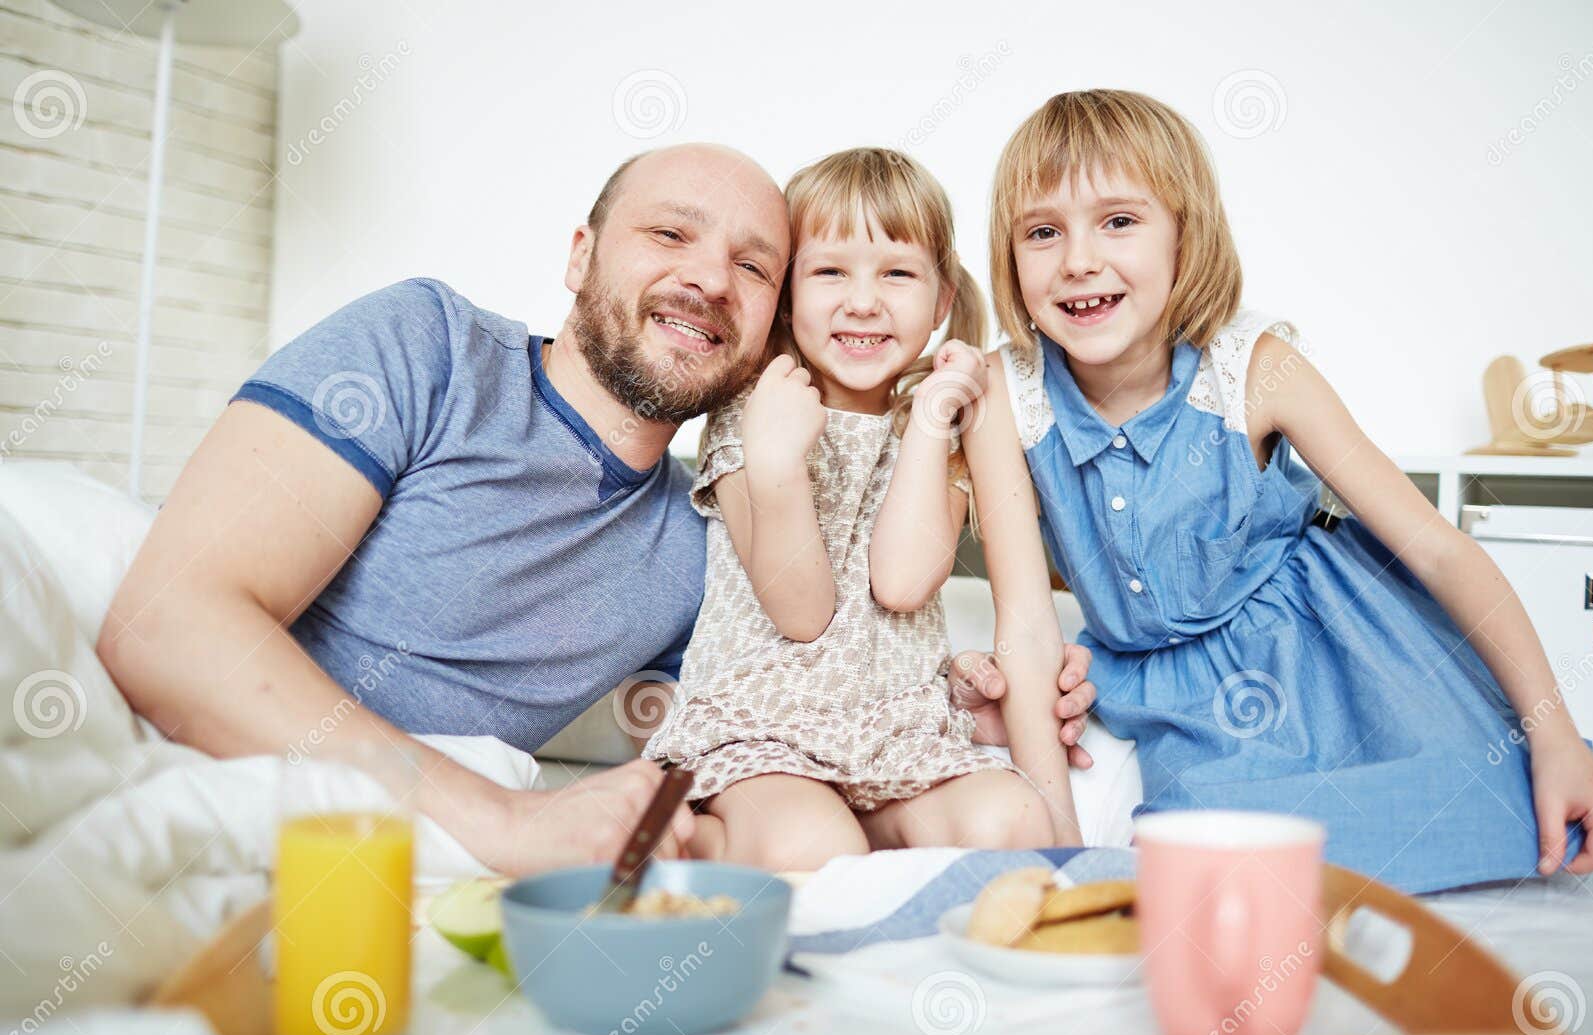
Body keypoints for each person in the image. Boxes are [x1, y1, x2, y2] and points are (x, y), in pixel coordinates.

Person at [97, 143, 1097, 877]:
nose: (709, 277)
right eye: (669, 233)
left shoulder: (689, 540)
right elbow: (164, 628)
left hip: (398, 871)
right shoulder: (425, 347)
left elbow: (736, 708)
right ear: (579, 254)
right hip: (217, 785)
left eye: (755, 265)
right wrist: (497, 819)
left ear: (773, 319)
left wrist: (950, 680)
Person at [979, 90, 1593, 892]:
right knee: (1194, 861)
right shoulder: (1007, 393)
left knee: (1504, 809)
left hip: (1330, 642)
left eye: (1120, 221)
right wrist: (1056, 836)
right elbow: (1026, 623)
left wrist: (1557, 736)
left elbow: (1439, 551)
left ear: (1184, 237)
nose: (1078, 260)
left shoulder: (1254, 366)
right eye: (1042, 232)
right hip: (1168, 683)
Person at [643, 148, 1080, 870]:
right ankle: (697, 831)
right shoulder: (756, 410)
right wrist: (779, 466)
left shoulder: (939, 430)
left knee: (1015, 819)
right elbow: (801, 609)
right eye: (830, 272)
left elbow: (902, 581)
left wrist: (933, 423)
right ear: (787, 295)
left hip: (895, 741)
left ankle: (870, 840)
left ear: (941, 302)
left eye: (898, 274)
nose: (864, 301)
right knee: (812, 843)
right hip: (763, 737)